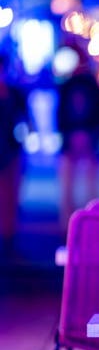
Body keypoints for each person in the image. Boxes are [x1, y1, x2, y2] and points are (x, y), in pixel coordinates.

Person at [56, 52, 99, 231]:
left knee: (85, 184)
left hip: (83, 135)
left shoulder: (78, 85)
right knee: (75, 184)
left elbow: (62, 113)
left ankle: (82, 221)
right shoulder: (86, 85)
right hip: (78, 136)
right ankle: (76, 222)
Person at [0, 56, 27, 260]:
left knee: (9, 196)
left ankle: (9, 237)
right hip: (10, 148)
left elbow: (23, 119)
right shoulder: (12, 92)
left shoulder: (14, 92)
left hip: (10, 150)